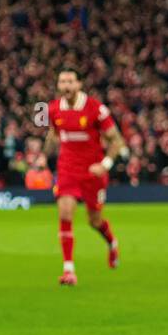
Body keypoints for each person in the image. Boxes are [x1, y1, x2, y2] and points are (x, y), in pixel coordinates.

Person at [43, 68, 128, 286]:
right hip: (67, 170)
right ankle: (68, 270)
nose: (66, 86)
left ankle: (112, 243)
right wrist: (42, 158)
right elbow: (53, 135)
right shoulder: (53, 109)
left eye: (70, 81)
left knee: (94, 220)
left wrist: (105, 164)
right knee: (65, 212)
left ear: (79, 84)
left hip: (92, 172)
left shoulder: (95, 109)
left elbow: (116, 140)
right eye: (62, 81)